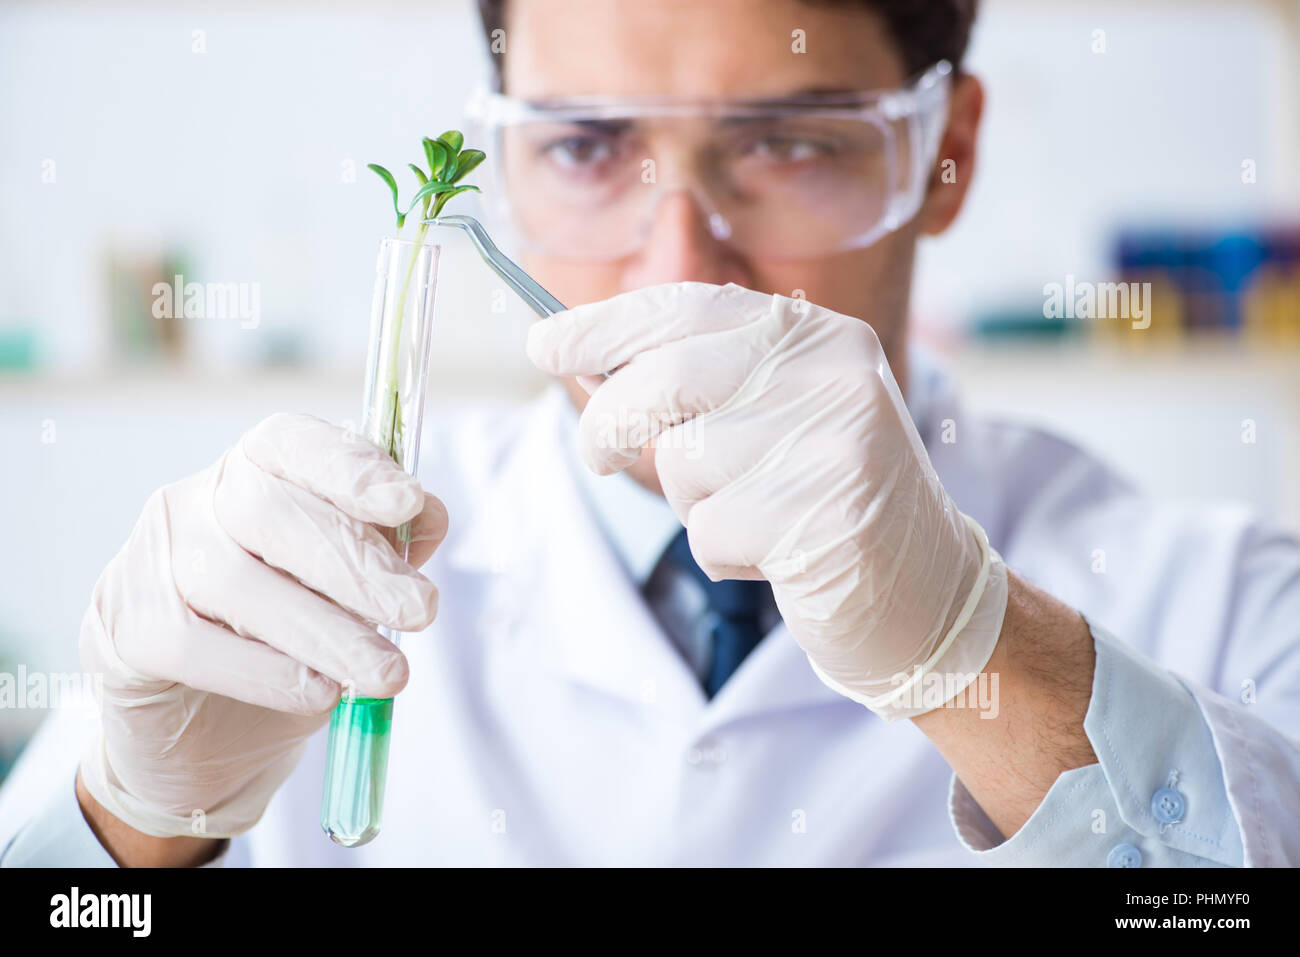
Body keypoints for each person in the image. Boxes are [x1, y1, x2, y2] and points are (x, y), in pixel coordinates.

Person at [2, 0, 1298, 867]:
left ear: (943, 156)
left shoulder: (1231, 600)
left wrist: (978, 655)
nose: (682, 261)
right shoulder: (283, 580)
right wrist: (135, 828)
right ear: (497, 169)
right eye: (584, 147)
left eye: (791, 143)